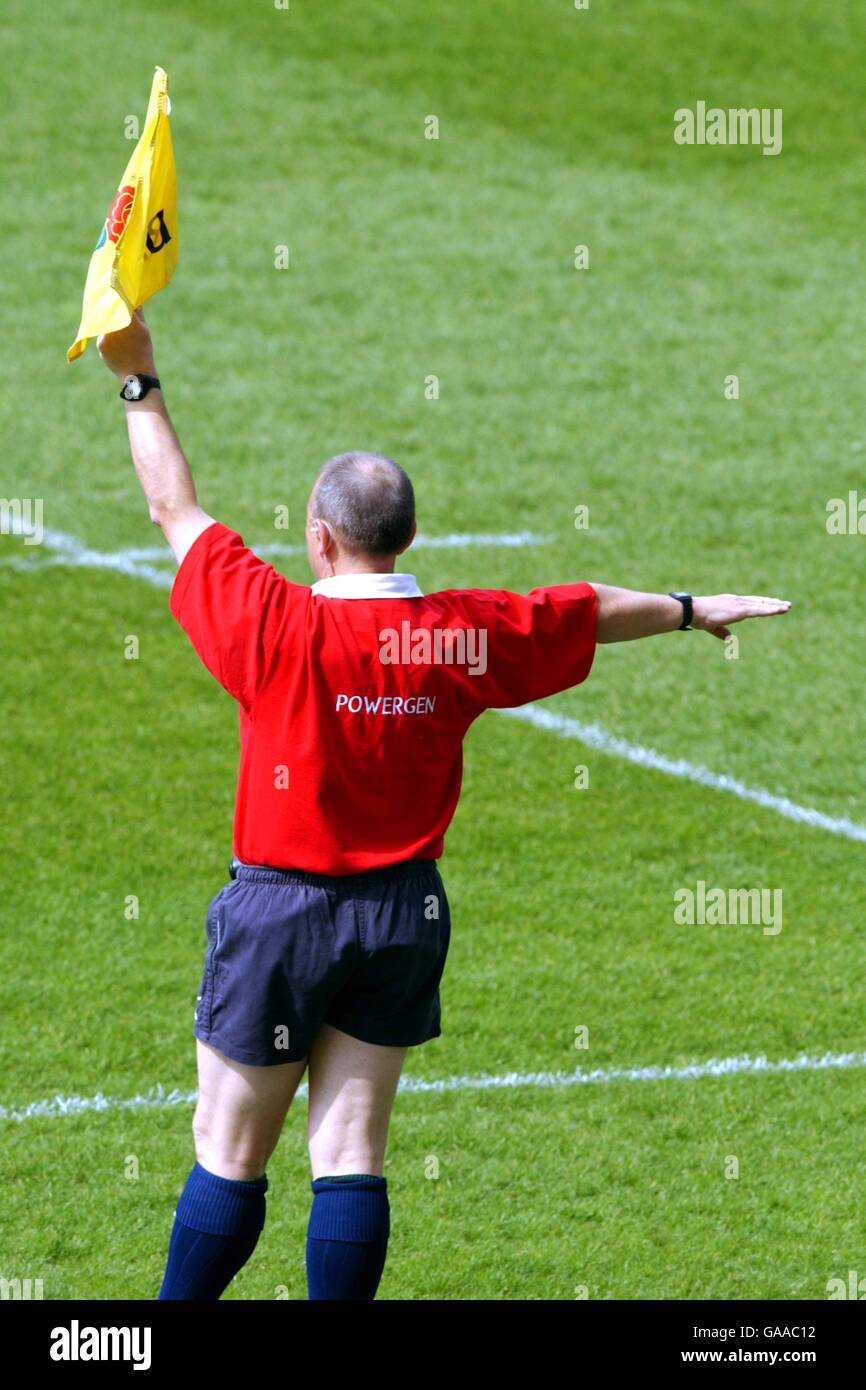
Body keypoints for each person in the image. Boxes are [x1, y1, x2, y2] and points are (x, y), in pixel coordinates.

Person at [97, 309, 790, 1301]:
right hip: (401, 915)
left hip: (278, 914)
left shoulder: (270, 622)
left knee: (229, 1148)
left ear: (319, 537)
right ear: (407, 536)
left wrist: (138, 376)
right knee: (350, 1147)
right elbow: (586, 604)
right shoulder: (459, 633)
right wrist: (689, 609)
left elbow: (174, 507)